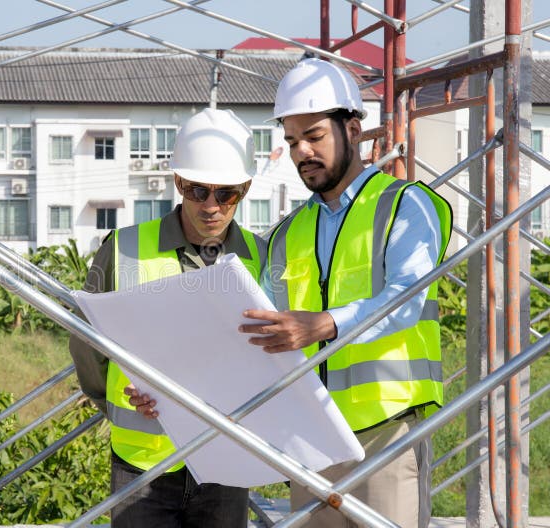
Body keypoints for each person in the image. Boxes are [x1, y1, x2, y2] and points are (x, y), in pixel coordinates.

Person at [239, 58, 452, 528]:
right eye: (292, 141)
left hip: (386, 434)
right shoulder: (287, 233)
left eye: (314, 135)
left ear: (353, 129)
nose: (302, 152)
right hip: (312, 435)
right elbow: (265, 328)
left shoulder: (404, 205)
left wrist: (324, 324)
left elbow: (406, 299)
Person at [69, 107, 266, 528]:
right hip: (144, 463)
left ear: (246, 189)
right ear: (178, 182)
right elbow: (87, 341)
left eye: (226, 194)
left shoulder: (262, 256)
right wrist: (118, 398)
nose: (211, 206)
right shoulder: (123, 248)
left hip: (226, 458)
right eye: (198, 190)